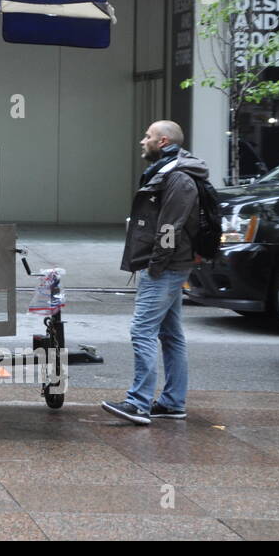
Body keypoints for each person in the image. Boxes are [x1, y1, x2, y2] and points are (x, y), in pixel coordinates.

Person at [102, 120, 210, 426]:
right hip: (173, 265)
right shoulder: (170, 171)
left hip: (167, 267)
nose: (141, 141)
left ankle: (138, 403)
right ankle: (173, 403)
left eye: (147, 137)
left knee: (142, 331)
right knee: (171, 334)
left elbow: (168, 228)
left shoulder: (178, 178)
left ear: (163, 141)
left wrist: (156, 265)